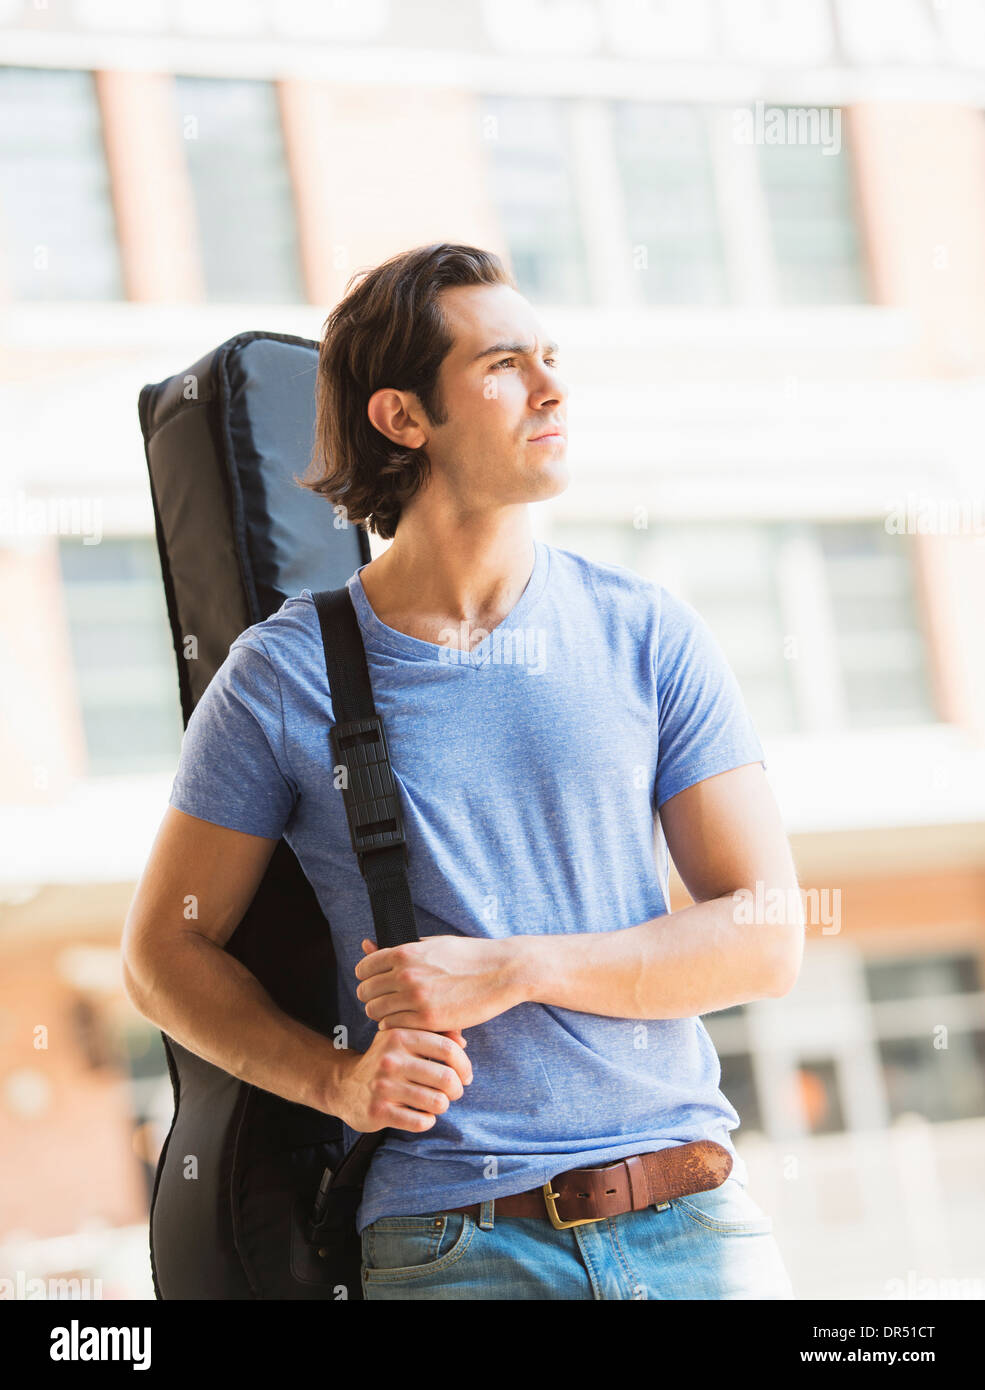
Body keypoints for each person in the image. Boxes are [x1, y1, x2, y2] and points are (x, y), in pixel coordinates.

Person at [122, 242, 803, 1300]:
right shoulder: (283, 675)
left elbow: (763, 934)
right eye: (503, 365)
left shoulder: (647, 633)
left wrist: (518, 967)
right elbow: (163, 950)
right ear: (403, 417)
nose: (551, 385)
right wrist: (336, 1082)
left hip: (694, 1227)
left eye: (550, 355)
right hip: (456, 1248)